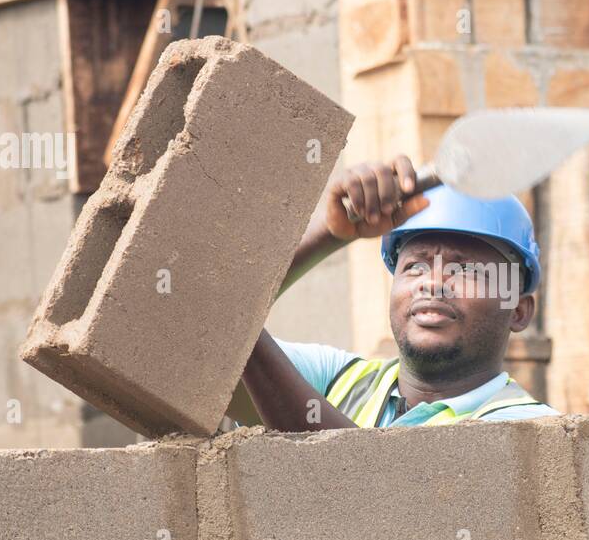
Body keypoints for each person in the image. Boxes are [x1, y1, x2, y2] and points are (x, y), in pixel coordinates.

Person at [238, 155, 559, 430]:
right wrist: (331, 232)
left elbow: (373, 480)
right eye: (415, 267)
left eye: (466, 271)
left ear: (518, 310)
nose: (432, 283)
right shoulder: (335, 379)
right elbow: (204, 335)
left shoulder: (529, 429)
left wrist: (241, 332)